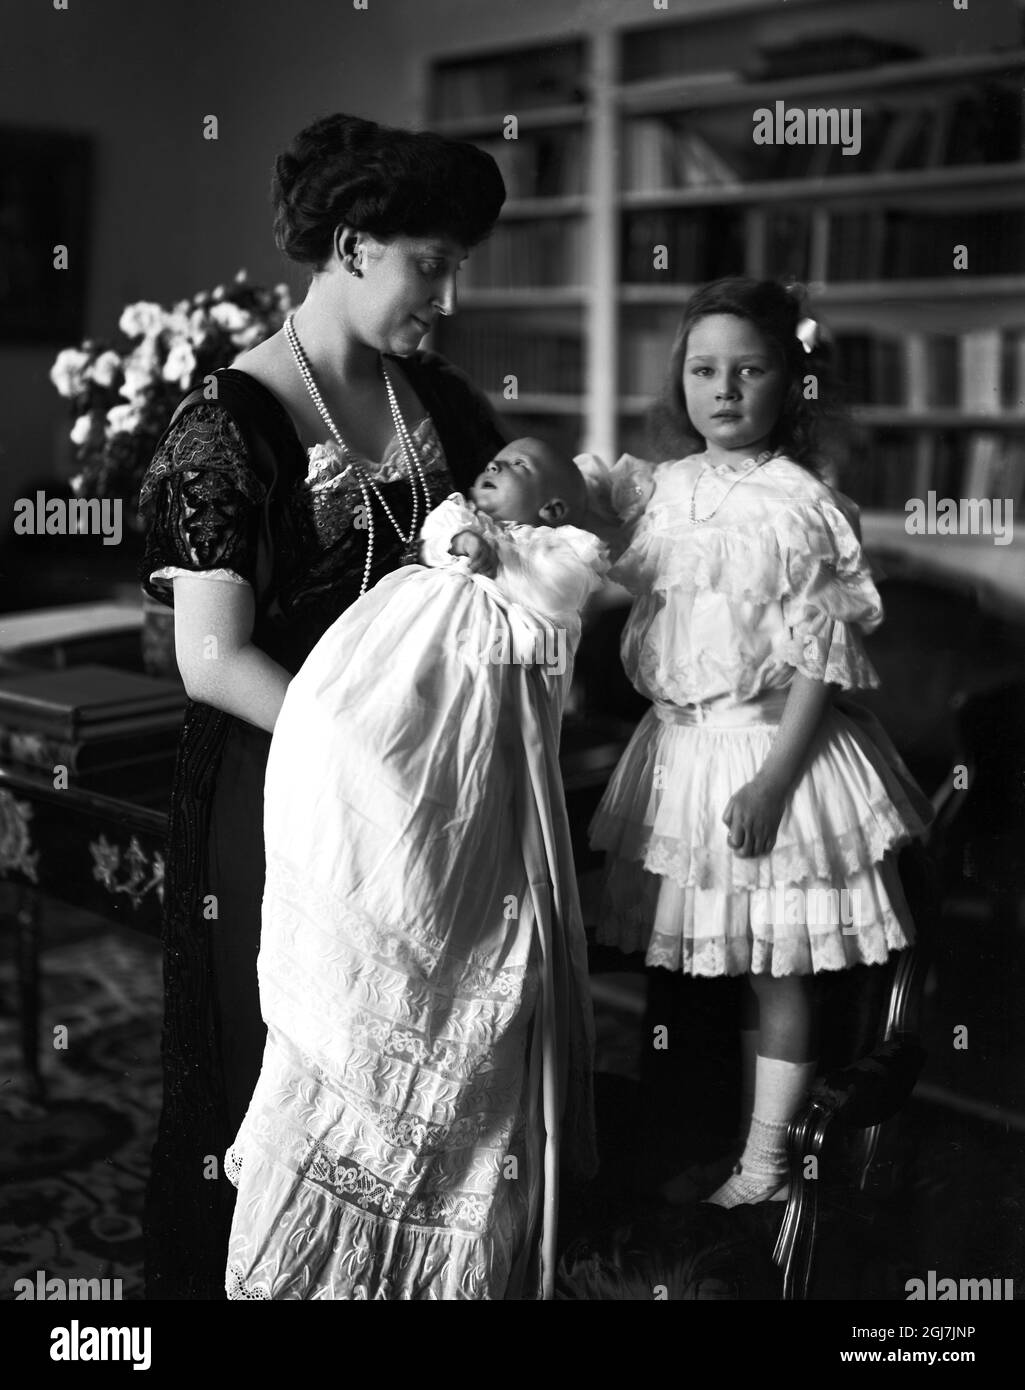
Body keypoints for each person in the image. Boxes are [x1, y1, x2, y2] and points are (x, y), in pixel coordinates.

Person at [138, 112, 507, 1299]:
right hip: (280, 776)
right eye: (430, 264)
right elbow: (212, 657)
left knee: (419, 1070)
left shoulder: (436, 405)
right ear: (352, 245)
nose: (447, 298)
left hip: (423, 792)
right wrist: (354, 749)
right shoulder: (229, 422)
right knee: (291, 1058)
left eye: (456, 267)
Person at [223, 438, 605, 1300]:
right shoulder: (452, 529)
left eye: (516, 467)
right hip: (388, 693)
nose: (490, 469)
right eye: (491, 461)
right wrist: (456, 546)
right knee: (354, 772)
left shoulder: (549, 558)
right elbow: (441, 539)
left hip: (462, 748)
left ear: (547, 511)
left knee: (443, 888)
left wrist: (495, 557)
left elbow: (556, 609)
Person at [587, 278, 934, 1207]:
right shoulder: (660, 491)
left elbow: (819, 655)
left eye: (750, 369)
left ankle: (768, 1166)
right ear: (681, 383)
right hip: (679, 754)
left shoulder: (800, 502)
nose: (725, 389)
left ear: (792, 383)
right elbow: (594, 556)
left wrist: (776, 781)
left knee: (777, 968)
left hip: (768, 752)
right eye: (704, 370)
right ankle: (729, 1148)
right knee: (729, 963)